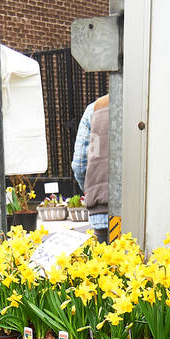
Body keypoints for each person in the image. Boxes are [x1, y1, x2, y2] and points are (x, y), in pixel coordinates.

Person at [71, 94, 110, 243]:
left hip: (103, 209)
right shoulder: (150, 102)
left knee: (108, 263)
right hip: (143, 209)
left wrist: (91, 191)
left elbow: (79, 164)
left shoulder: (95, 108)